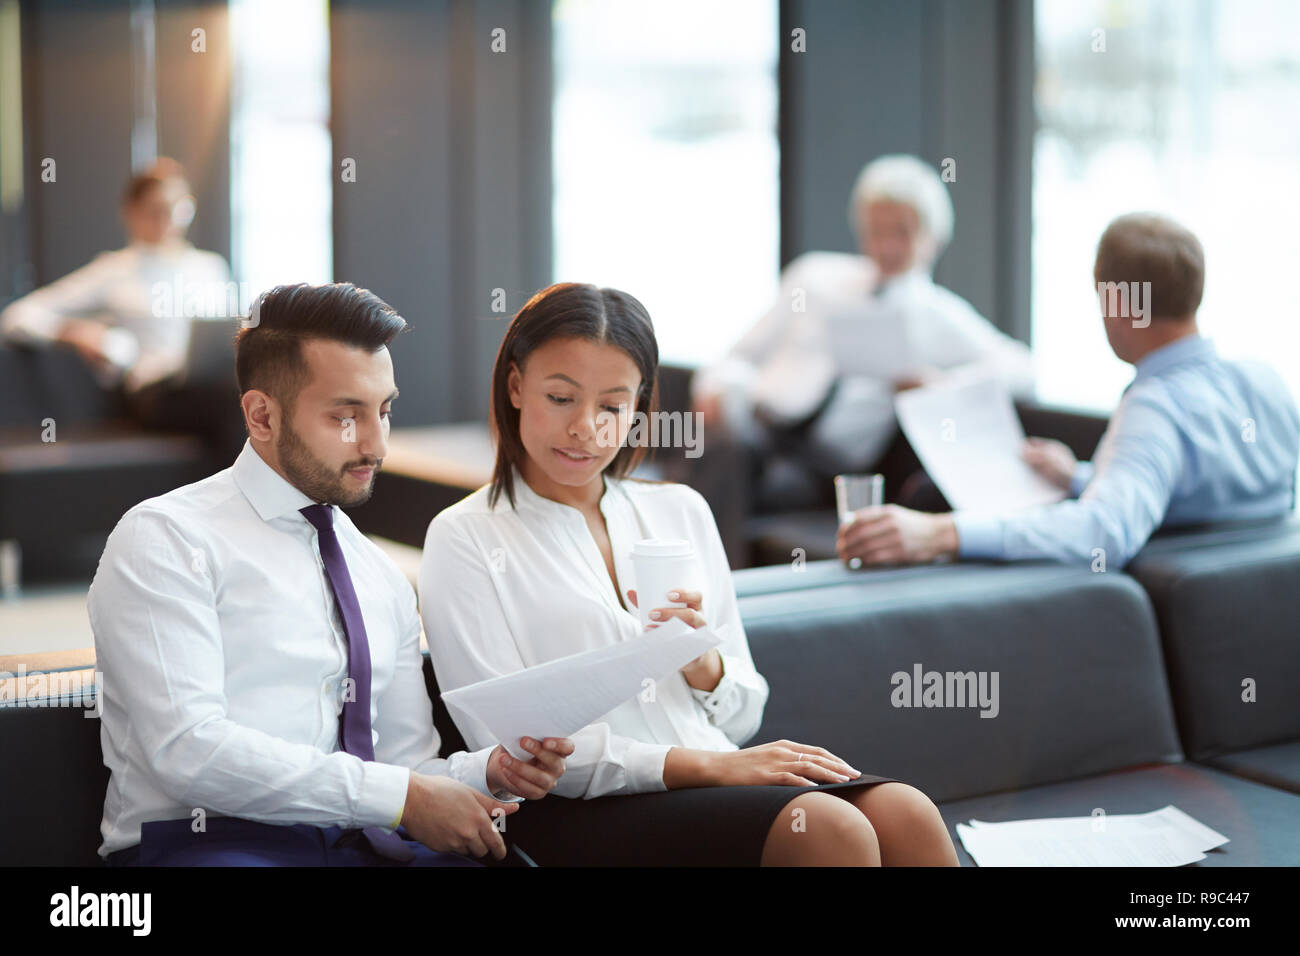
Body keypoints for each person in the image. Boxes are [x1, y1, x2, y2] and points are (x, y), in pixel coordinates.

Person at [419, 282, 959, 866]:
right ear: (517, 386)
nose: (586, 428)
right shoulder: (465, 535)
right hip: (580, 807)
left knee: (907, 811)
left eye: (611, 405)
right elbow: (504, 745)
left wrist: (703, 667)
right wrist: (712, 766)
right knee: (827, 829)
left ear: (638, 406)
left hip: (713, 773)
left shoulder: (678, 511)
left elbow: (745, 711)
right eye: (561, 398)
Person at [88, 282, 572, 867]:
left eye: (384, 411)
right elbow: (188, 753)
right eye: (346, 416)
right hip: (210, 844)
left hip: (359, 842)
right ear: (261, 415)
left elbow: (402, 764)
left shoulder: (377, 572)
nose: (376, 443)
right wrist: (402, 797)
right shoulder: (165, 538)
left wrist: (490, 770)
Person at [837, 213, 1300, 570]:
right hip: (1250, 609)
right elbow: (1214, 498)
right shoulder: (1264, 379)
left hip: (1175, 605)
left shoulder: (1155, 406)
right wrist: (1080, 478)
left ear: (1119, 302)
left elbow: (1104, 531)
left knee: (929, 499)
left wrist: (939, 534)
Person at [688, 154, 1035, 513]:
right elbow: (736, 357)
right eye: (876, 232)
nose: (887, 246)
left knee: (722, 471)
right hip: (761, 431)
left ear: (933, 236)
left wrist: (938, 385)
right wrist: (716, 386)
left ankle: (702, 561)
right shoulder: (814, 278)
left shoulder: (937, 315)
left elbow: (1023, 370)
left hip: (824, 466)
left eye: (902, 231)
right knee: (717, 444)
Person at [0, 158, 244, 457]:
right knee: (237, 404)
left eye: (176, 209)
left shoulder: (210, 267)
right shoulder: (114, 270)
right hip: (154, 391)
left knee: (258, 396)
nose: (167, 220)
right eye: (156, 210)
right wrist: (73, 331)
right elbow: (17, 316)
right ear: (131, 213)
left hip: (212, 380)